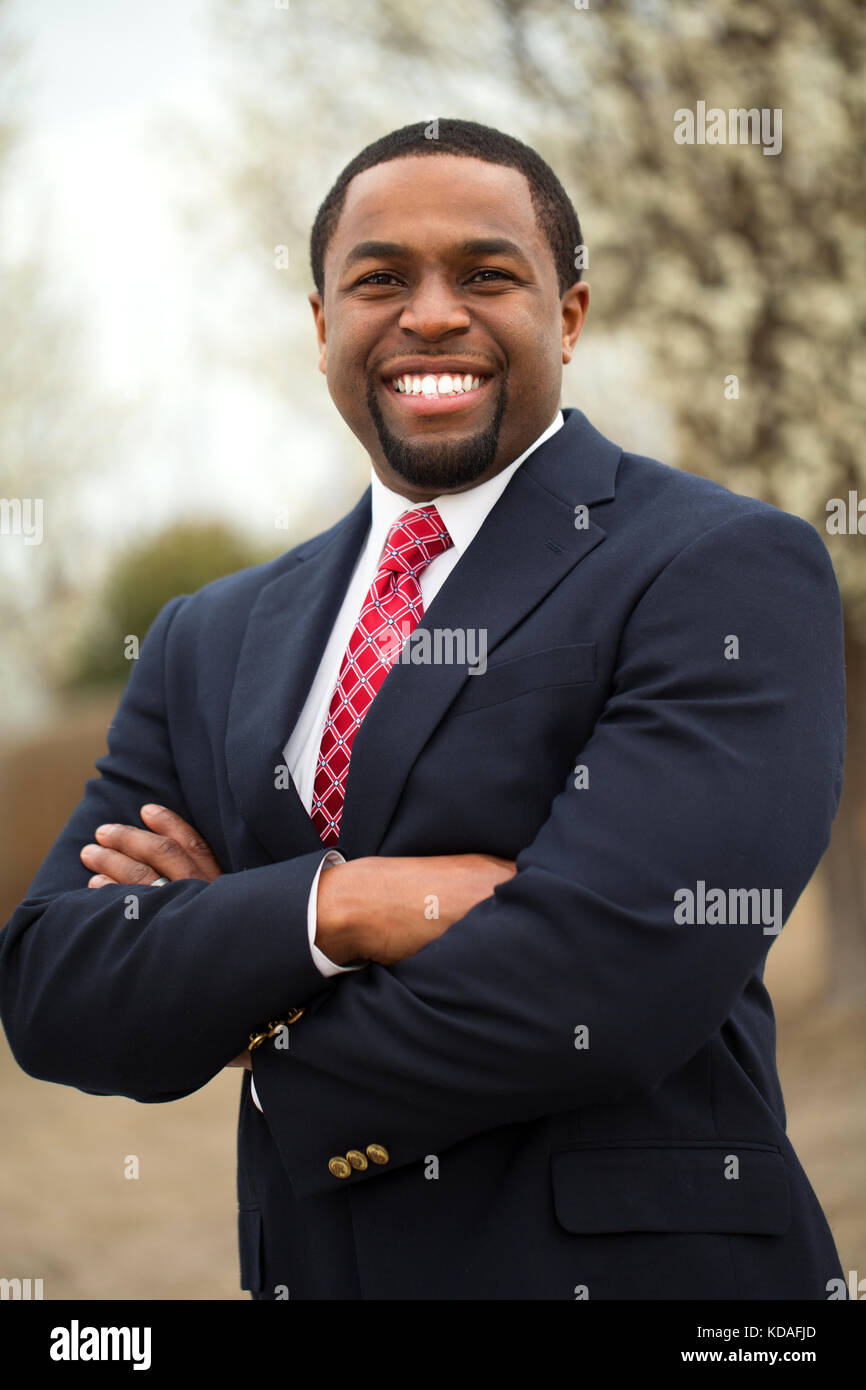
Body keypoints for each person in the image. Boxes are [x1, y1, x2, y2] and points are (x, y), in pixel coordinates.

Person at [0, 119, 847, 1300]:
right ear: (321, 328)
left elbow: (615, 974)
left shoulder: (715, 567)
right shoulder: (209, 635)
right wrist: (338, 906)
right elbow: (53, 982)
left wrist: (243, 992)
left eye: (486, 272)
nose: (432, 314)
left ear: (568, 314)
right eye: (380, 278)